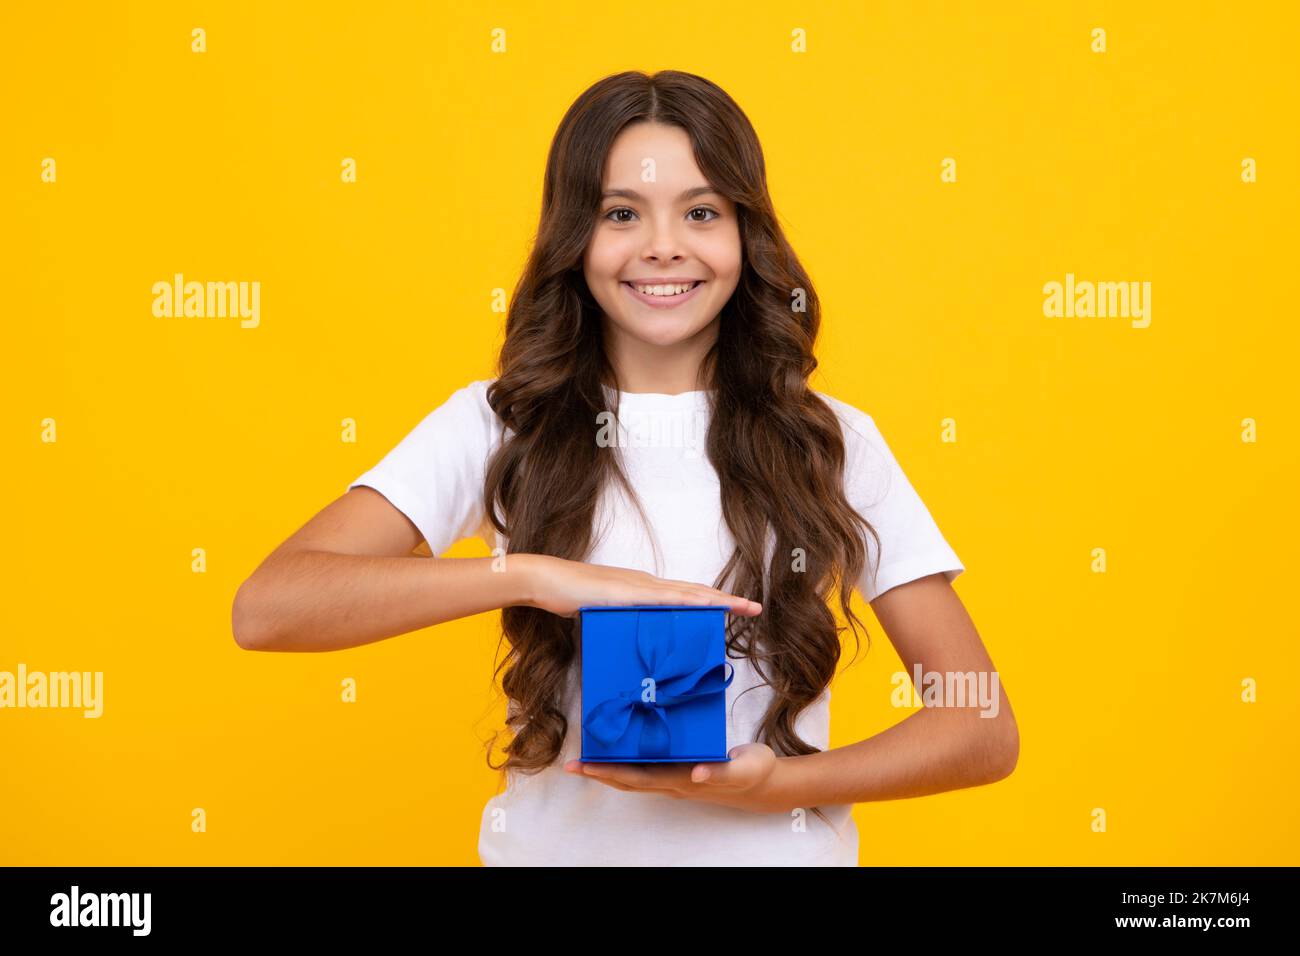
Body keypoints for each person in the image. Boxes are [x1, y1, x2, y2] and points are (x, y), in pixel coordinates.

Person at [231, 70, 1018, 866]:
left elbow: (980, 729)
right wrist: (532, 576)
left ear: (747, 235)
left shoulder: (831, 441)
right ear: (574, 237)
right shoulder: (500, 423)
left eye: (702, 212)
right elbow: (268, 609)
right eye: (621, 214)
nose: (663, 245)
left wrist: (773, 785)